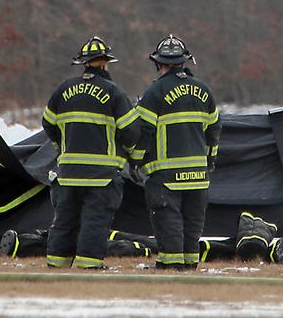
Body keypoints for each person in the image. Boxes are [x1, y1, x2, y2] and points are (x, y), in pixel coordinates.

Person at [42, 36, 138, 270]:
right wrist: (131, 156)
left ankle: (56, 264)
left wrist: (61, 147)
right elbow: (131, 132)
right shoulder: (114, 92)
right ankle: (89, 265)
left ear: (83, 63)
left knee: (64, 220)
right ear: (105, 63)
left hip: (68, 173)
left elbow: (48, 123)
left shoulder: (62, 90)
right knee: (95, 220)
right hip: (102, 175)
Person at [134, 34, 221, 271]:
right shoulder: (204, 90)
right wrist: (209, 160)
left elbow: (143, 133)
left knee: (168, 219)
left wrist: (135, 161)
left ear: (158, 63)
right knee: (192, 222)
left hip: (166, 174)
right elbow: (214, 130)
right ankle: (190, 265)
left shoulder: (155, 93)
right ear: (184, 62)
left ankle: (170, 266)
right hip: (198, 174)